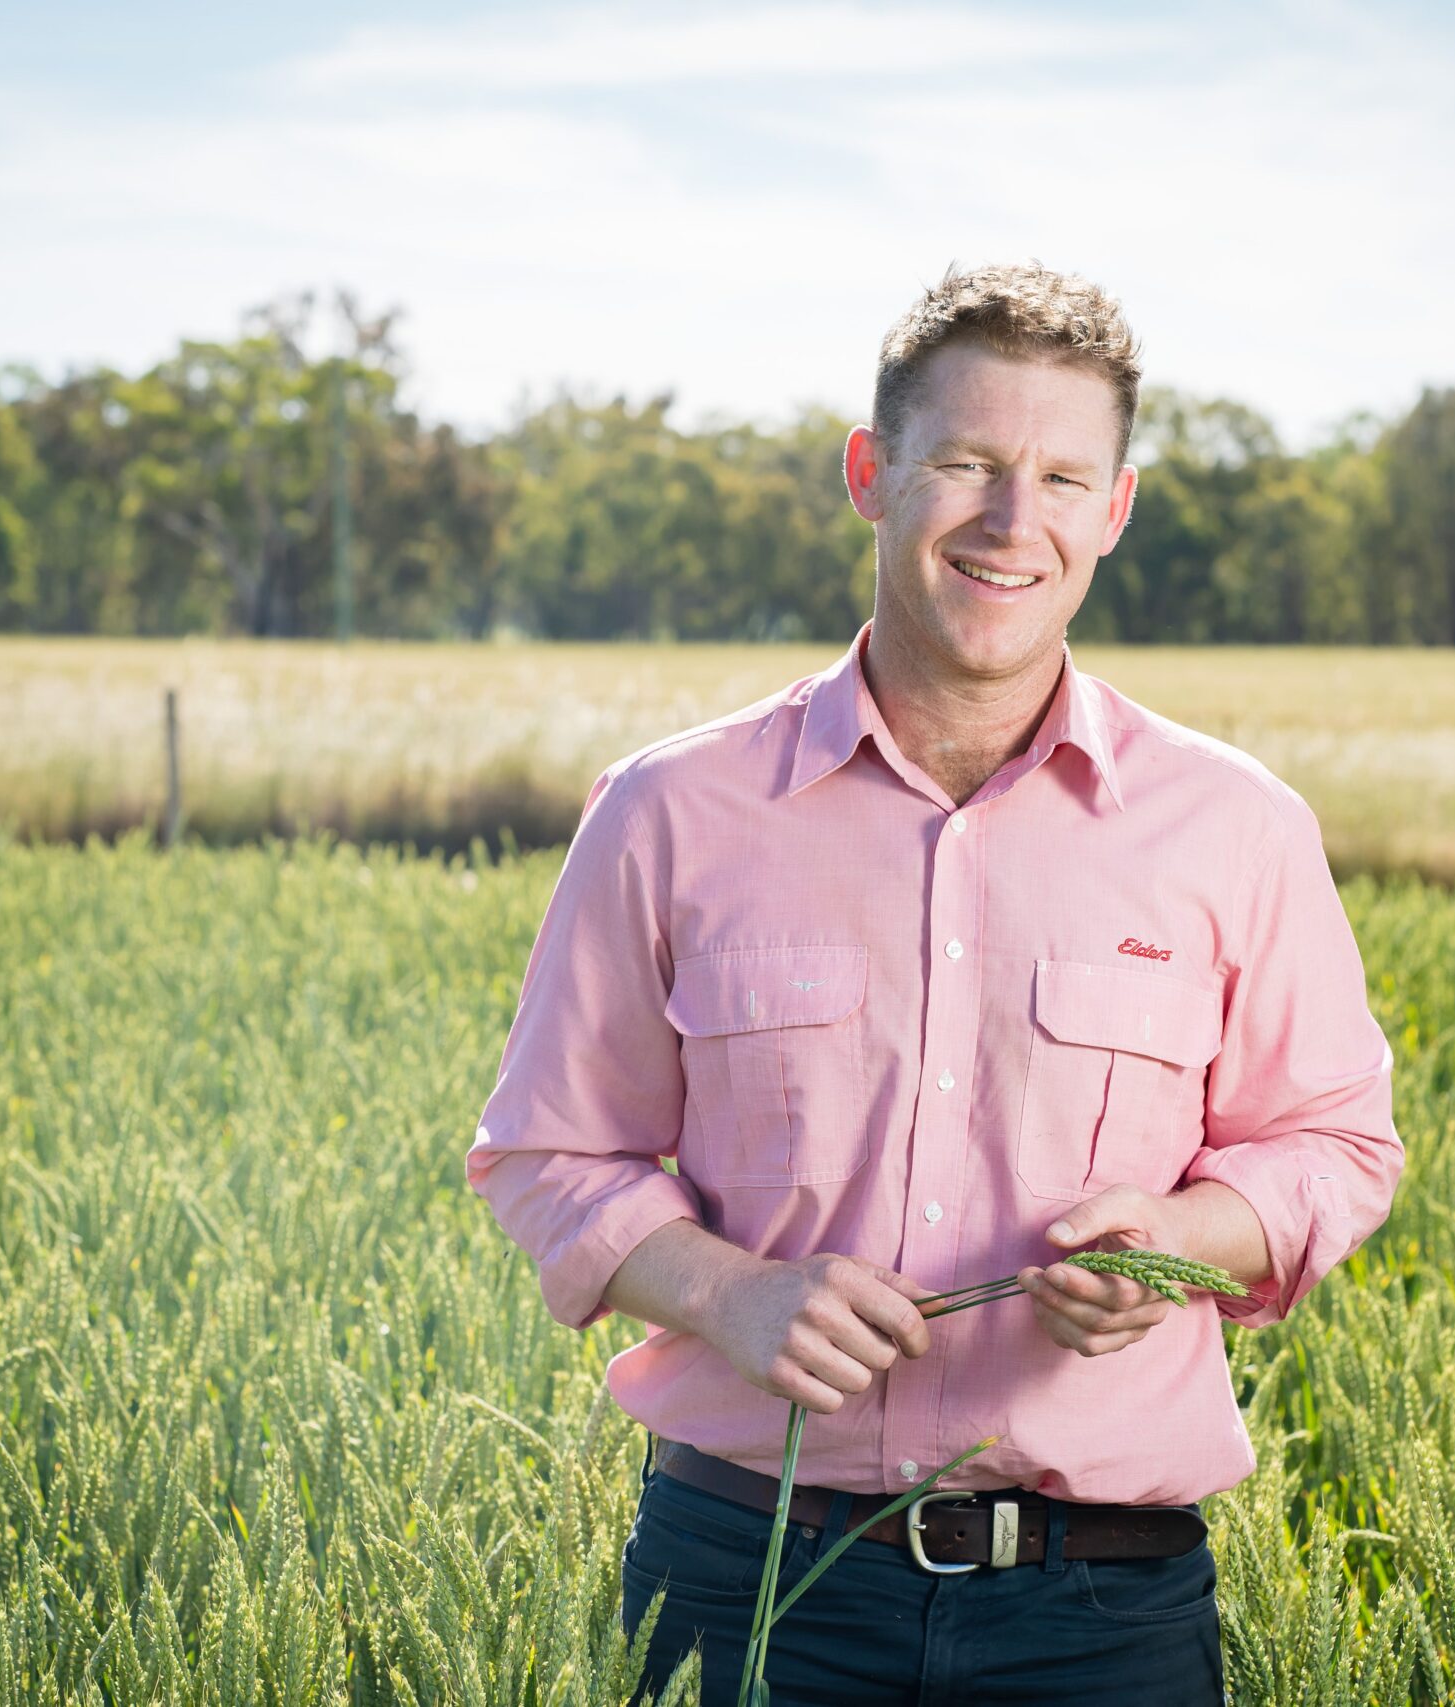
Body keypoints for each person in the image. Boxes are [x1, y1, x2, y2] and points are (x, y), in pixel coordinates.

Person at [467, 260, 1404, 1704]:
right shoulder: (669, 812)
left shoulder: (1239, 829)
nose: (1011, 522)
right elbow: (545, 1153)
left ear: (1116, 510)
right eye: (966, 463)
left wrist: (1179, 1241)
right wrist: (732, 1297)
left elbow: (1336, 1149)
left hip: (1103, 1613)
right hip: (745, 1580)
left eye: (1059, 477)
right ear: (871, 473)